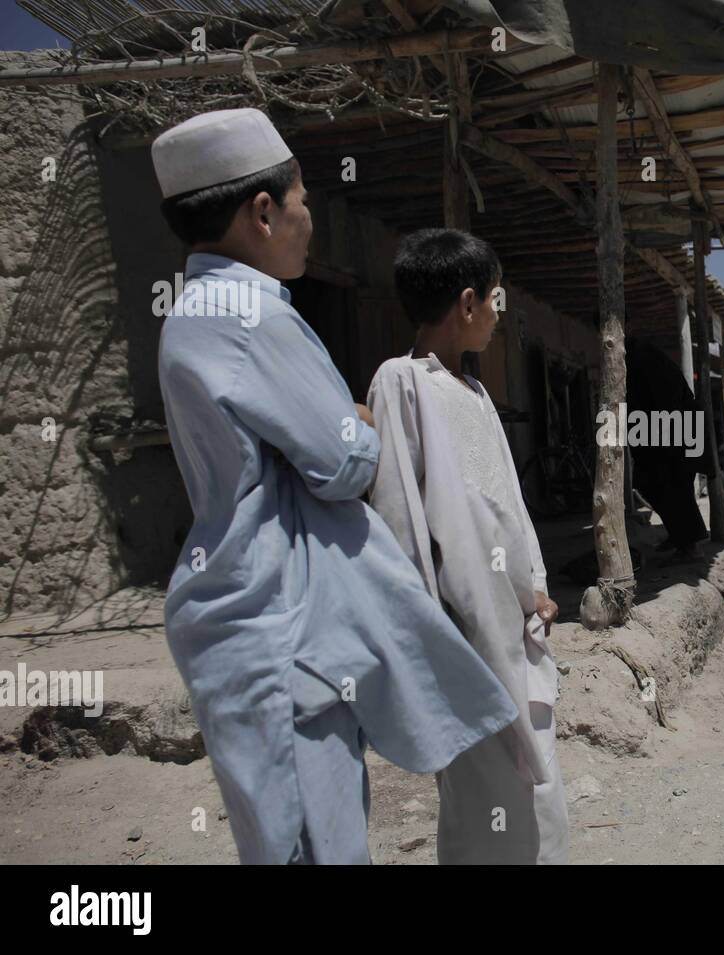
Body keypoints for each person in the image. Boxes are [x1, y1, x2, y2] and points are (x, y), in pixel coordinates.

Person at [152, 110, 516, 863]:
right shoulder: (251, 314)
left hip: (240, 625)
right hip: (282, 631)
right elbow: (345, 462)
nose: (309, 220)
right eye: (304, 201)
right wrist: (356, 419)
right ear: (261, 212)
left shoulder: (190, 314)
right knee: (316, 846)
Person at [368, 229, 569, 864]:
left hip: (512, 623)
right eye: (495, 299)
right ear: (467, 302)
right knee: (486, 800)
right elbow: (399, 516)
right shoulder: (401, 383)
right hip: (462, 631)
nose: (499, 315)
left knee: (537, 796)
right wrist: (423, 635)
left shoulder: (476, 393)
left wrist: (530, 585)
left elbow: (504, 508)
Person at [625, 338, 708, 559]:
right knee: (665, 485)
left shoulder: (642, 355)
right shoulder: (642, 355)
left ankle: (689, 545)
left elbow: (663, 398)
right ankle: (681, 537)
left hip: (671, 431)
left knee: (669, 485)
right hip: (667, 431)